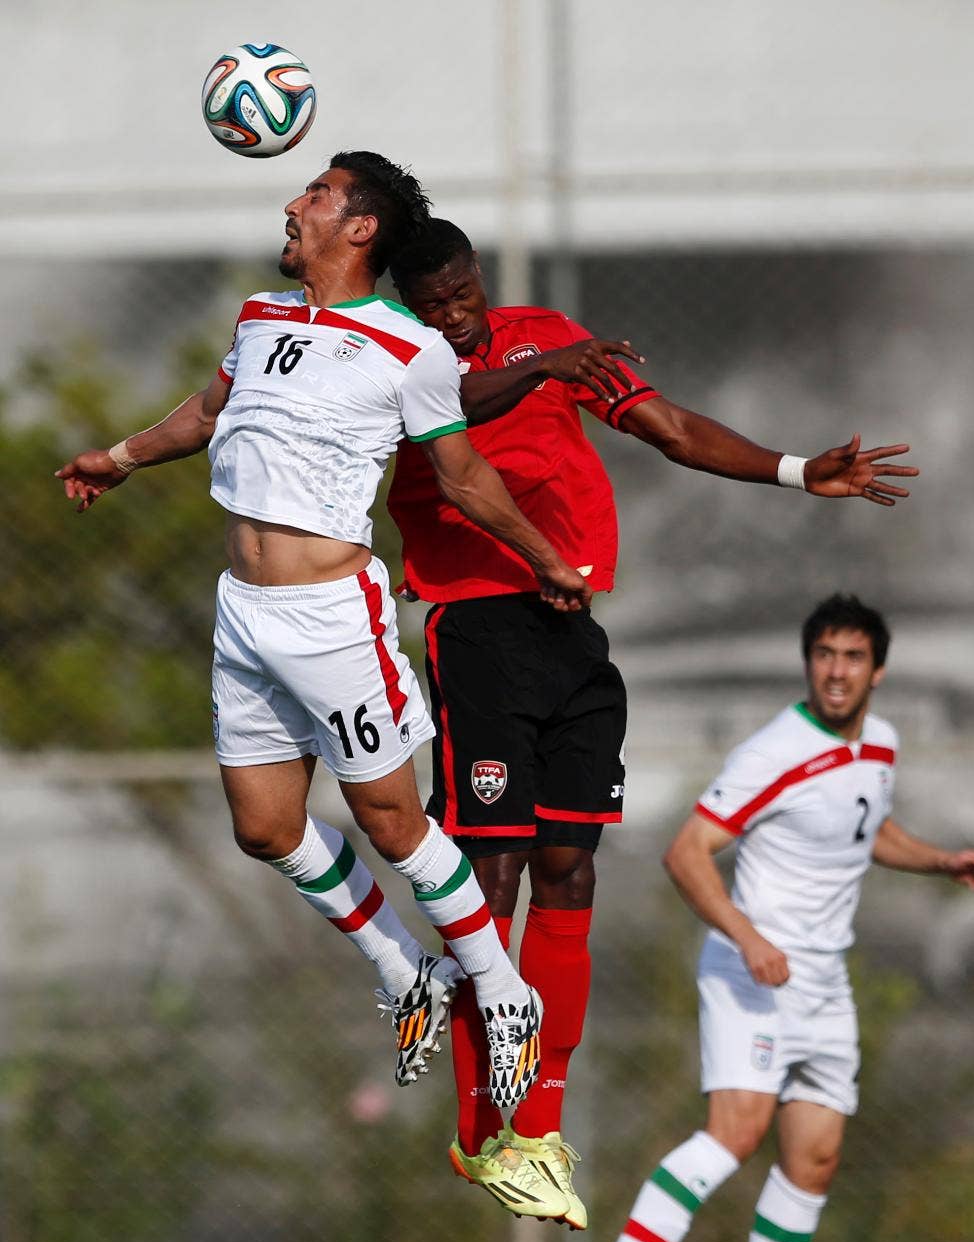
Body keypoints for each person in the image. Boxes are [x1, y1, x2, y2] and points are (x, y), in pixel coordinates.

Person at [54, 153, 599, 1180]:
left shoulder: (405, 347)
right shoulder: (261, 315)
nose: (294, 203)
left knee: (393, 824)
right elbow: (208, 414)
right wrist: (118, 460)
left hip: (333, 619)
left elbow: (463, 474)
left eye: (316, 193)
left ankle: (501, 989)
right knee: (263, 828)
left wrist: (542, 559)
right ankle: (404, 974)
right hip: (244, 613)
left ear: (359, 230)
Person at [384, 219, 921, 1229]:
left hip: (573, 630)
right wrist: (545, 366)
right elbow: (447, 403)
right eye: (437, 301)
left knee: (569, 868)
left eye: (465, 293)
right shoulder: (397, 357)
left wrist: (802, 471)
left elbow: (667, 427)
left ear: (478, 279)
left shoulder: (540, 333)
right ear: (408, 305)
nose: (456, 314)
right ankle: (475, 1127)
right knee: (488, 876)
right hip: (477, 632)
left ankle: (533, 1127)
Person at [613, 593, 974, 1242]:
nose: (837, 671)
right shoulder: (775, 752)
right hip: (754, 973)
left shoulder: (880, 744)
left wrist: (942, 860)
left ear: (877, 670)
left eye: (853, 656)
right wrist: (750, 937)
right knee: (735, 1133)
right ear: (807, 664)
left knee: (813, 1162)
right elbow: (686, 852)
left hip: (824, 980)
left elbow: (865, 825)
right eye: (824, 655)